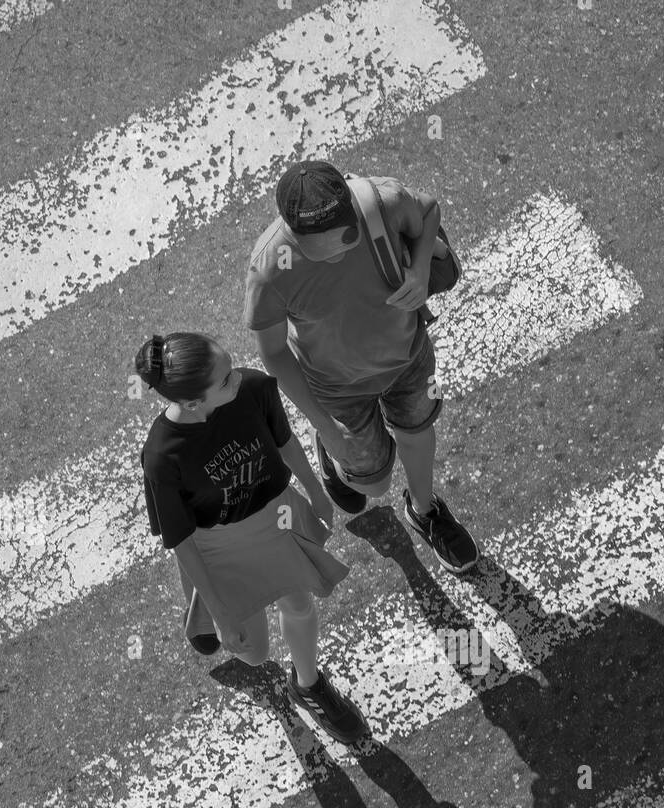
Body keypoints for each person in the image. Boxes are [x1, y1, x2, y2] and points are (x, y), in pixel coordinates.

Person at [242, 159, 479, 574]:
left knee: (418, 431)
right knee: (373, 483)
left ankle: (425, 511)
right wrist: (328, 430)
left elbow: (427, 210)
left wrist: (421, 268)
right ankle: (334, 457)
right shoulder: (270, 267)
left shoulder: (379, 200)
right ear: (295, 235)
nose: (343, 245)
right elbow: (275, 354)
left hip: (407, 356)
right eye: (327, 244)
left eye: (349, 232)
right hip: (337, 389)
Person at [135, 330, 370, 744]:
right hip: (218, 544)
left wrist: (316, 492)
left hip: (275, 516)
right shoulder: (162, 455)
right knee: (256, 653)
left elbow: (284, 442)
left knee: (298, 603)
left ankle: (308, 683)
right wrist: (221, 611)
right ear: (192, 403)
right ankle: (203, 610)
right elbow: (181, 539)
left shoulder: (254, 388)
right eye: (225, 379)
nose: (237, 378)